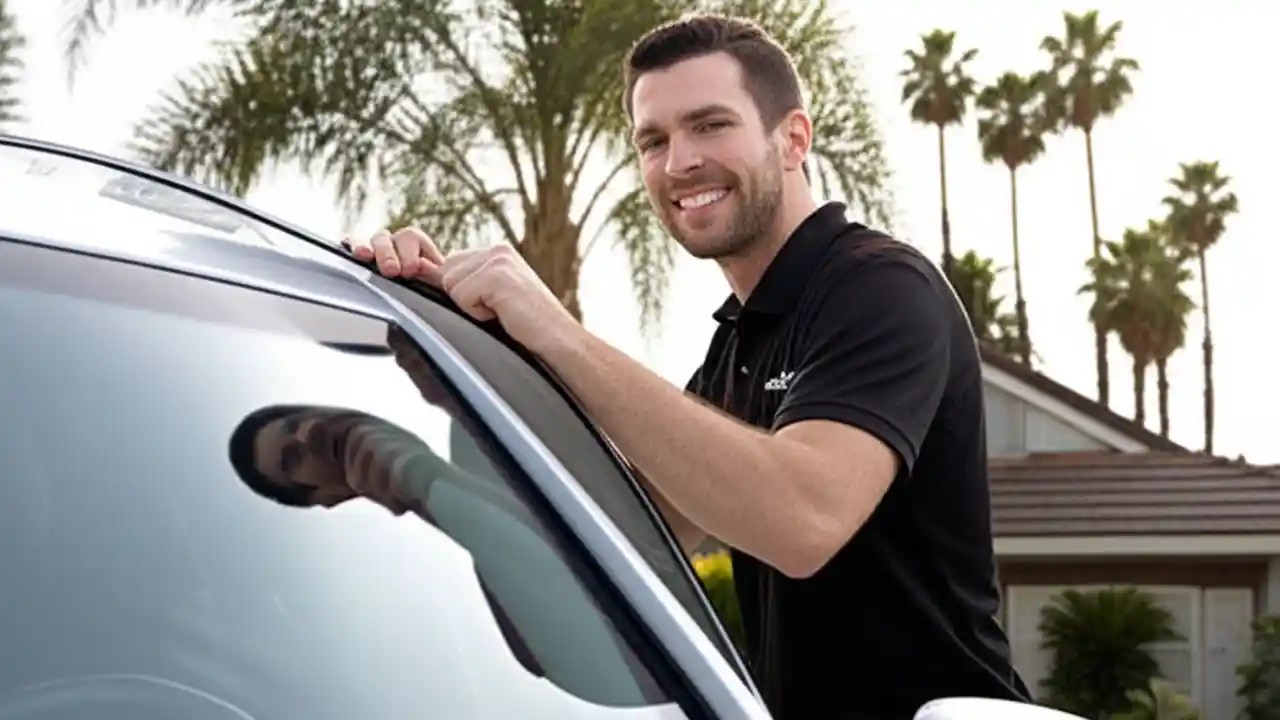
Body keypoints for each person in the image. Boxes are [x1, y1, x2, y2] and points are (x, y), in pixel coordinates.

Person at [344, 13, 1032, 719]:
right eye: (654, 140)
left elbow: (804, 519)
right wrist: (466, 353)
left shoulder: (881, 287)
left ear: (794, 139)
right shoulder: (735, 348)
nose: (678, 162)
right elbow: (609, 544)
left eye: (710, 125)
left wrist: (558, 334)